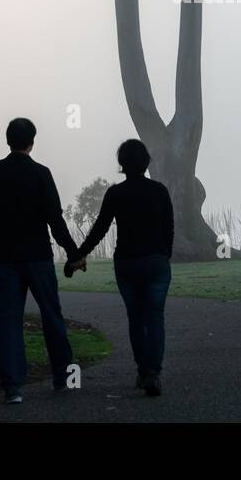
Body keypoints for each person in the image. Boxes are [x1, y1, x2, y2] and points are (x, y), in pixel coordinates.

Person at [0, 117, 82, 404]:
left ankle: (13, 388)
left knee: (9, 323)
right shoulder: (41, 174)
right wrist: (73, 253)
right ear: (32, 142)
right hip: (38, 257)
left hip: (6, 260)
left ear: (7, 140)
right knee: (52, 316)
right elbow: (55, 220)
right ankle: (63, 375)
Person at [67, 139, 174, 397]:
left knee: (136, 318)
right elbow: (169, 228)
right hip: (156, 262)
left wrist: (78, 255)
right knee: (155, 317)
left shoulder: (116, 194)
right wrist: (164, 255)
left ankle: (142, 370)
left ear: (122, 165)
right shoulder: (159, 191)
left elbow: (100, 229)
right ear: (146, 162)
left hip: (127, 263)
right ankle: (154, 373)